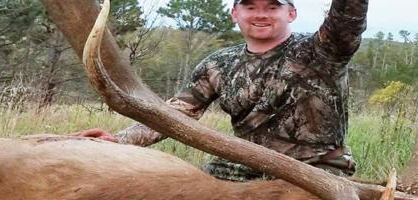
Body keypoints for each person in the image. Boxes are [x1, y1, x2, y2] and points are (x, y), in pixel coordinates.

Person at [75, 0, 368, 181]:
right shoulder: (218, 64)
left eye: (272, 6)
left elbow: (345, 24)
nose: (260, 14)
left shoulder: (322, 53)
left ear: (291, 13)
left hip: (316, 170)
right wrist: (118, 140)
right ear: (234, 13)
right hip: (244, 167)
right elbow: (177, 113)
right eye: (250, 6)